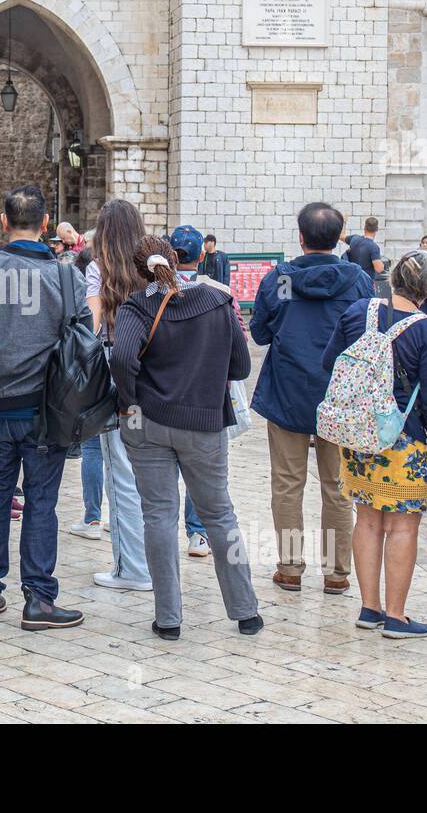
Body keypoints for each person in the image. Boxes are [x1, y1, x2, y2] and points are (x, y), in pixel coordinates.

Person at [110, 236, 263, 639]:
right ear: (176, 259)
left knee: (158, 515)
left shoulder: (136, 307)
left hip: (149, 423)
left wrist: (130, 403)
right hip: (205, 423)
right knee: (219, 514)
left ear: (138, 270)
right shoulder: (218, 302)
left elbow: (122, 358)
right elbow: (242, 366)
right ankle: (245, 611)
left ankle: (169, 618)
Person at [0, 186, 86, 630]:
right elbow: (82, 341)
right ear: (47, 222)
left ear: (3, 222)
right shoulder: (66, 276)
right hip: (44, 409)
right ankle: (38, 596)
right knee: (40, 503)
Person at [323, 252, 427, 638]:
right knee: (401, 527)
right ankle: (396, 617)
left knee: (366, 519)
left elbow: (329, 363)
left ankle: (370, 608)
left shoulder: (357, 312)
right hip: (404, 438)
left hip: (359, 434)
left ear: (394, 277)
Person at [251, 202, 374, 594]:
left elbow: (260, 333)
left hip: (287, 391)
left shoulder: (280, 279)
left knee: (287, 484)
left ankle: (289, 567)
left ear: (300, 237)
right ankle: (337, 573)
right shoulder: (357, 280)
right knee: (338, 486)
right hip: (339, 394)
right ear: (340, 237)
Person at [86, 199, 154, 591]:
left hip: (118, 377)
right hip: (157, 375)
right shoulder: (155, 267)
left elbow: (92, 328)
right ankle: (158, 561)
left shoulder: (100, 271)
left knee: (122, 474)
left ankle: (132, 569)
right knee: (156, 475)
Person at [167, 224, 218, 556]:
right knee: (199, 472)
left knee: (164, 471)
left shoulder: (150, 293)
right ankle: (198, 533)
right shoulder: (219, 293)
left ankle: (162, 531)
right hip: (202, 397)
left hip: (162, 398)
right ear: (202, 255)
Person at [69, 246, 105, 540]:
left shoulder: (98, 267)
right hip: (134, 362)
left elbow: (91, 325)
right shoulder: (140, 265)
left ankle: (93, 518)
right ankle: (124, 521)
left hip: (101, 362)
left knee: (93, 447)